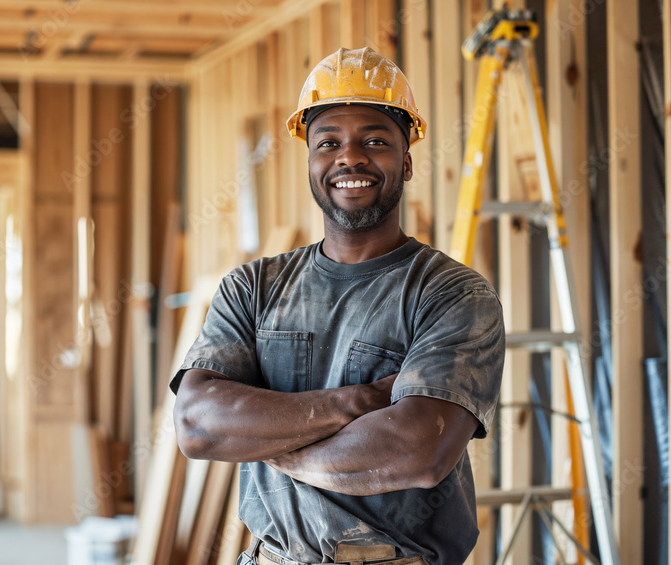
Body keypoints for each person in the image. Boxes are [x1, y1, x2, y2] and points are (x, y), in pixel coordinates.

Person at [170, 47, 506, 565]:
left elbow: (419, 450)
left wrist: (267, 442)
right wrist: (359, 401)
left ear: (408, 161)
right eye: (329, 143)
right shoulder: (253, 288)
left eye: (375, 140)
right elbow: (197, 424)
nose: (351, 158)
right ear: (311, 163)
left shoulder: (454, 294)